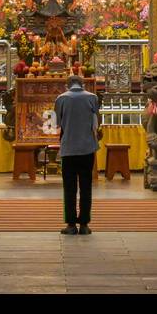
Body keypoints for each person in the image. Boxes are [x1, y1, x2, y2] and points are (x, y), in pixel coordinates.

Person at [55, 73, 101, 235]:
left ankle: (71, 225)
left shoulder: (61, 99)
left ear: (67, 85)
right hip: (87, 148)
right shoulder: (92, 98)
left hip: (68, 149)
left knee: (69, 187)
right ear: (83, 85)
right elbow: (96, 122)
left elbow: (57, 124)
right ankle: (85, 225)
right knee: (86, 186)